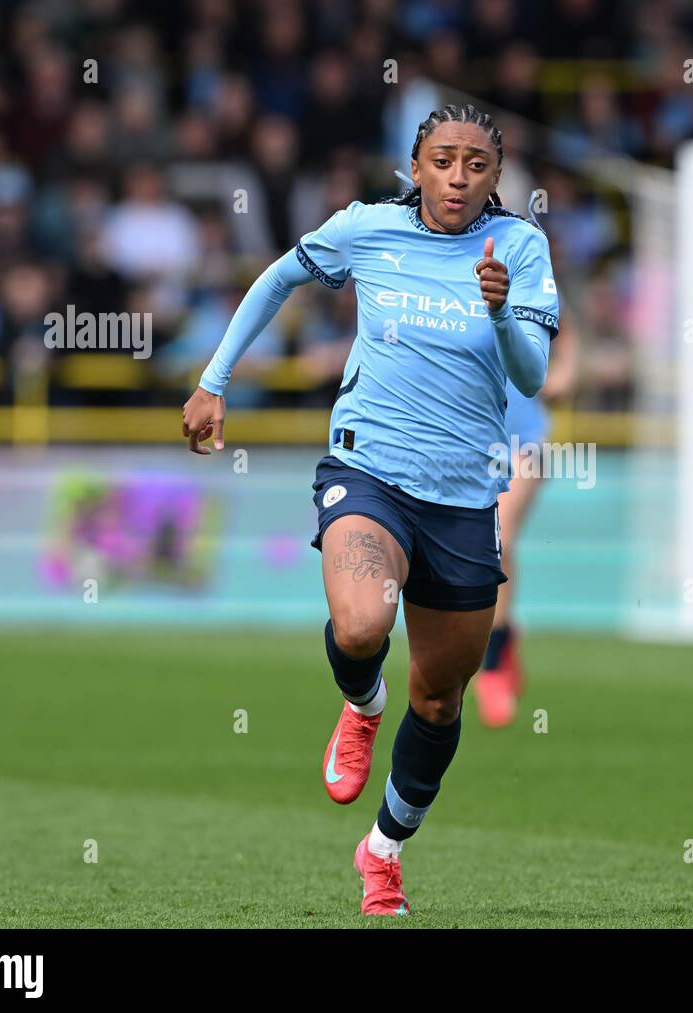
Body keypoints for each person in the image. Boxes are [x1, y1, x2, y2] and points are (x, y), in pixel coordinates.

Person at [180, 104, 560, 914]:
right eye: (443, 161)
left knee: (440, 696)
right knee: (360, 628)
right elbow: (280, 275)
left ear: (496, 175)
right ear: (415, 167)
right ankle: (360, 705)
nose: (458, 178)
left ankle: (383, 848)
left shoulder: (521, 251)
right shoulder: (366, 229)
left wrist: (497, 309)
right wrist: (215, 380)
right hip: (368, 470)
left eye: (477, 165)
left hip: (462, 495)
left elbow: (529, 377)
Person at [474, 321, 576, 727]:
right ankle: (504, 631)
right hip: (458, 436)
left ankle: (493, 663)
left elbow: (564, 328)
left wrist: (567, 368)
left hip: (521, 440)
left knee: (498, 537)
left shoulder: (520, 268)